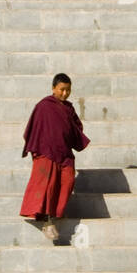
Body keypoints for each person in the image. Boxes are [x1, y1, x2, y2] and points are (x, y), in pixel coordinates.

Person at [20, 73, 90, 241]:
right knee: (48, 185)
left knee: (67, 181)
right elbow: (33, 128)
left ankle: (55, 214)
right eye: (62, 90)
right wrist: (36, 149)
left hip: (64, 153)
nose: (65, 93)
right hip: (46, 151)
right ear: (53, 88)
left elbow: (76, 127)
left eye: (68, 90)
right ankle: (46, 220)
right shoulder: (44, 106)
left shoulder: (69, 107)